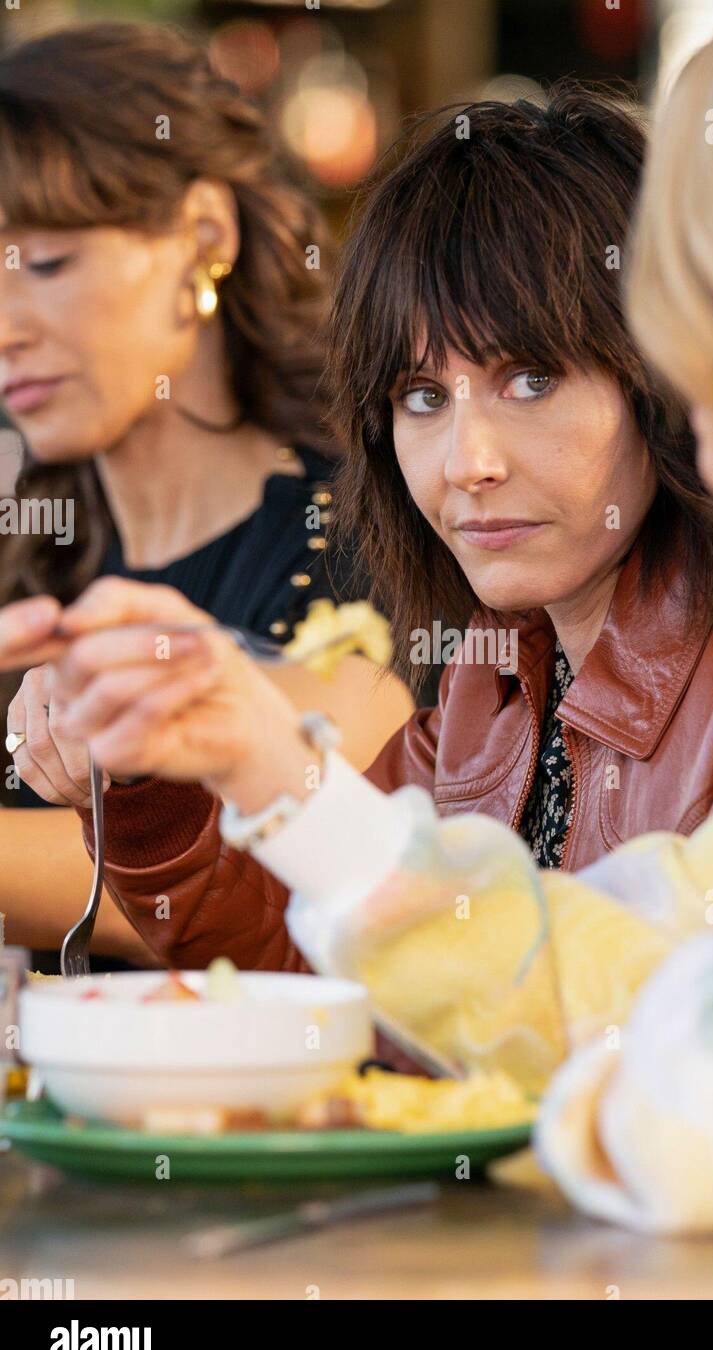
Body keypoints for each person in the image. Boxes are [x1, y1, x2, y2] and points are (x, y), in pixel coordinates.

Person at [0, 88, 713, 974]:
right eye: (422, 397)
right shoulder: (487, 675)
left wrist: (261, 754)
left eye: (531, 380)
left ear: (668, 371)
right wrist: (153, 794)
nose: (467, 462)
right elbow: (332, 968)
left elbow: (705, 1021)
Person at [0, 23, 412, 963]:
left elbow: (280, 871)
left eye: (49, 264)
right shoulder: (32, 553)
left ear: (204, 236)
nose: (5, 326)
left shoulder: (365, 530)